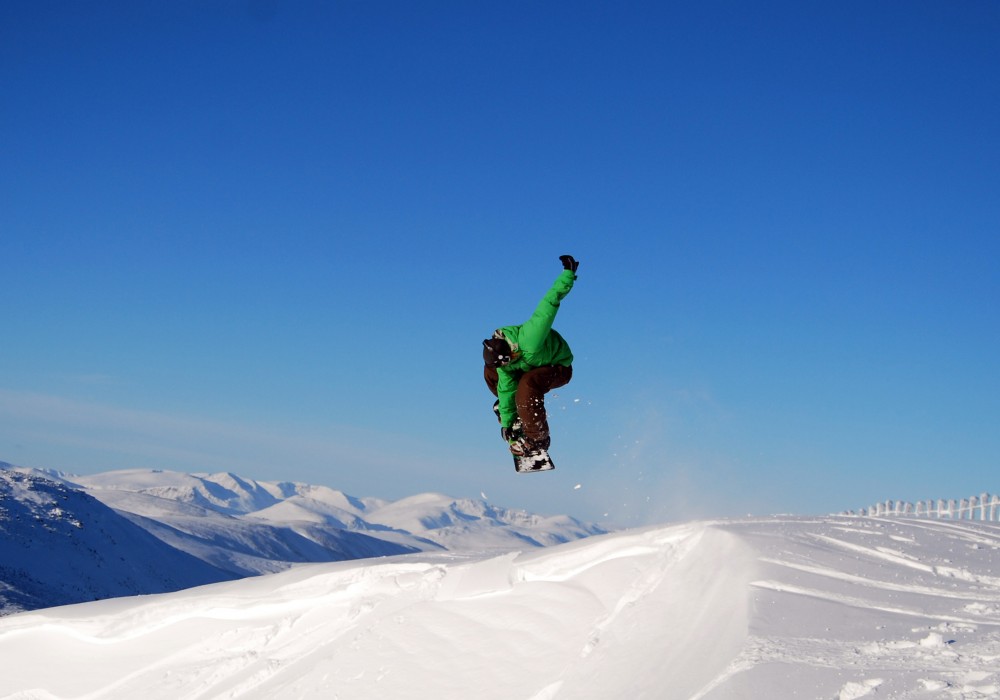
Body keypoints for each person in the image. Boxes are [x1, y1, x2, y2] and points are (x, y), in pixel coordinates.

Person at [483, 255, 579, 456]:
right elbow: (505, 389)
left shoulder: (530, 338)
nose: (508, 364)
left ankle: (538, 439)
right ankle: (519, 413)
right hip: (529, 369)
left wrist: (568, 274)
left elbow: (549, 304)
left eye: (508, 360)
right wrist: (508, 424)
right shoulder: (505, 365)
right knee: (493, 374)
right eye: (505, 363)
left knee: (527, 384)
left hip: (558, 367)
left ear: (509, 350)